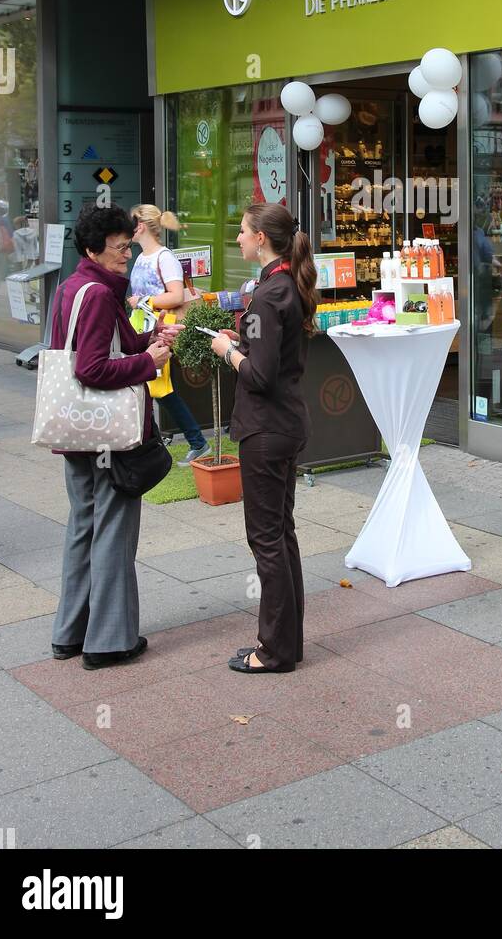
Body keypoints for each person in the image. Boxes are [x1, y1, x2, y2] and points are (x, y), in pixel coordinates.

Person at [49, 203, 179, 669]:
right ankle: (108, 642)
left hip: (74, 429)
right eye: (120, 248)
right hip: (106, 434)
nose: (128, 254)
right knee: (112, 533)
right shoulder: (101, 295)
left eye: (129, 245)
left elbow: (101, 346)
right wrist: (150, 363)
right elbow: (92, 367)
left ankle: (71, 633)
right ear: (92, 249)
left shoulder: (72, 287)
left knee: (84, 527)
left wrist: (152, 337)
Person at [210, 203, 317, 674]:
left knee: (267, 540)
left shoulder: (271, 293)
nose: (237, 238)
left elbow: (260, 374)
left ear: (260, 239)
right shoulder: (279, 286)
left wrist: (227, 350)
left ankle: (274, 651)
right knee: (280, 535)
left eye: (242, 232)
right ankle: (283, 644)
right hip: (281, 426)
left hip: (266, 429)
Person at [128, 204, 209, 465]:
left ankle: (195, 441)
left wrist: (143, 300)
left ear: (140, 226)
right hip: (143, 325)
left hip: (159, 326)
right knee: (153, 386)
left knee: (158, 387)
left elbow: (175, 295)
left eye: (132, 223)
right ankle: (183, 441)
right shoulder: (142, 257)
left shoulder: (164, 258)